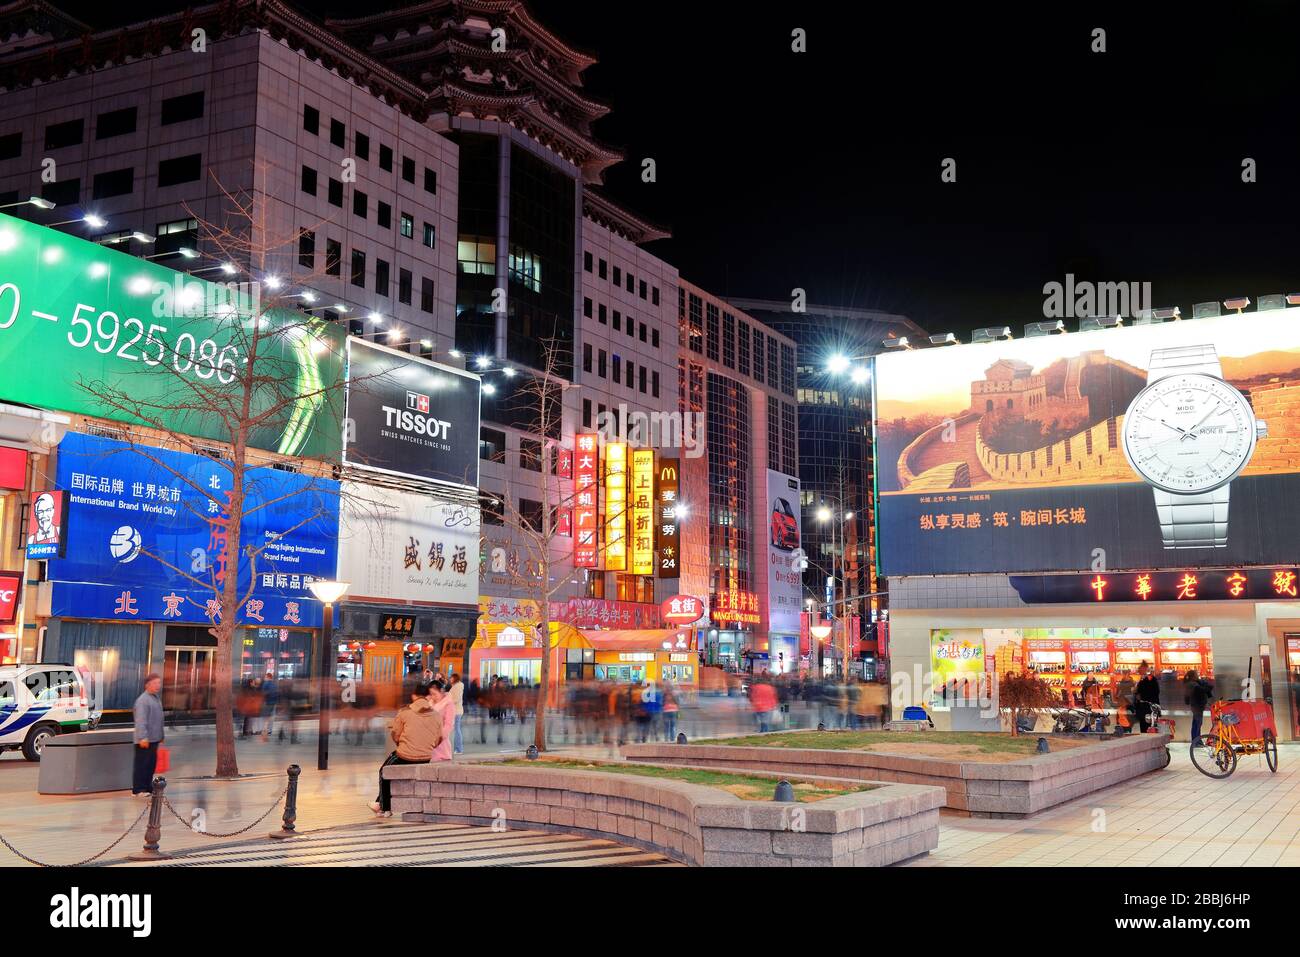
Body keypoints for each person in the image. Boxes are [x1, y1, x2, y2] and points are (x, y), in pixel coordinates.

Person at [370, 682, 443, 816]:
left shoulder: (405, 712)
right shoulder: (436, 715)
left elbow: (395, 734)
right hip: (426, 757)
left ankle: (384, 807)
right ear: (428, 696)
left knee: (384, 771)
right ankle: (379, 803)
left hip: (405, 755)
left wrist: (402, 744)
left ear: (414, 696)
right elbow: (439, 739)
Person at [132, 673, 165, 796]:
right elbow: (141, 720)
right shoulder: (143, 700)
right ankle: (138, 789)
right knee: (142, 764)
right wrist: (142, 737)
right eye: (155, 683)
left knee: (150, 765)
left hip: (154, 739)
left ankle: (147, 787)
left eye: (159, 683)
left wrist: (161, 736)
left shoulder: (156, 698)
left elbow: (159, 719)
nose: (158, 686)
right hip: (145, 740)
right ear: (147, 685)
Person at [427, 679, 455, 762]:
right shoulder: (430, 703)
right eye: (431, 694)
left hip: (441, 742)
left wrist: (439, 738)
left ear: (442, 691)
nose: (433, 697)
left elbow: (448, 725)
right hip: (428, 743)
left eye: (434, 694)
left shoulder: (448, 704)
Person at [1184, 669, 1213, 743]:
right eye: (1196, 675)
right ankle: (1196, 741)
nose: (1198, 676)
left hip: (1196, 706)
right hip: (1197, 706)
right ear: (1193, 676)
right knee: (1197, 724)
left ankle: (1197, 740)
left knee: (1197, 724)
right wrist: (1208, 686)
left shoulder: (1192, 683)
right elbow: (1202, 690)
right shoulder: (1193, 685)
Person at [1135, 662, 1160, 733]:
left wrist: (1139, 694)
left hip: (1147, 709)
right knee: (1148, 728)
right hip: (1148, 708)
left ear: (1144, 668)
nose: (1138, 670)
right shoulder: (1147, 679)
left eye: (1140, 668)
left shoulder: (1148, 679)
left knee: (1147, 728)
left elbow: (1153, 692)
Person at [448, 672, 465, 754]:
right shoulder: (456, 686)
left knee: (457, 730)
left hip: (456, 711)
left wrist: (448, 701)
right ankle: (458, 748)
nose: (450, 679)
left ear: (455, 678)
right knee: (456, 729)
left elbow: (456, 699)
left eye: (451, 678)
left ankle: (459, 749)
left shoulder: (457, 686)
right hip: (456, 710)